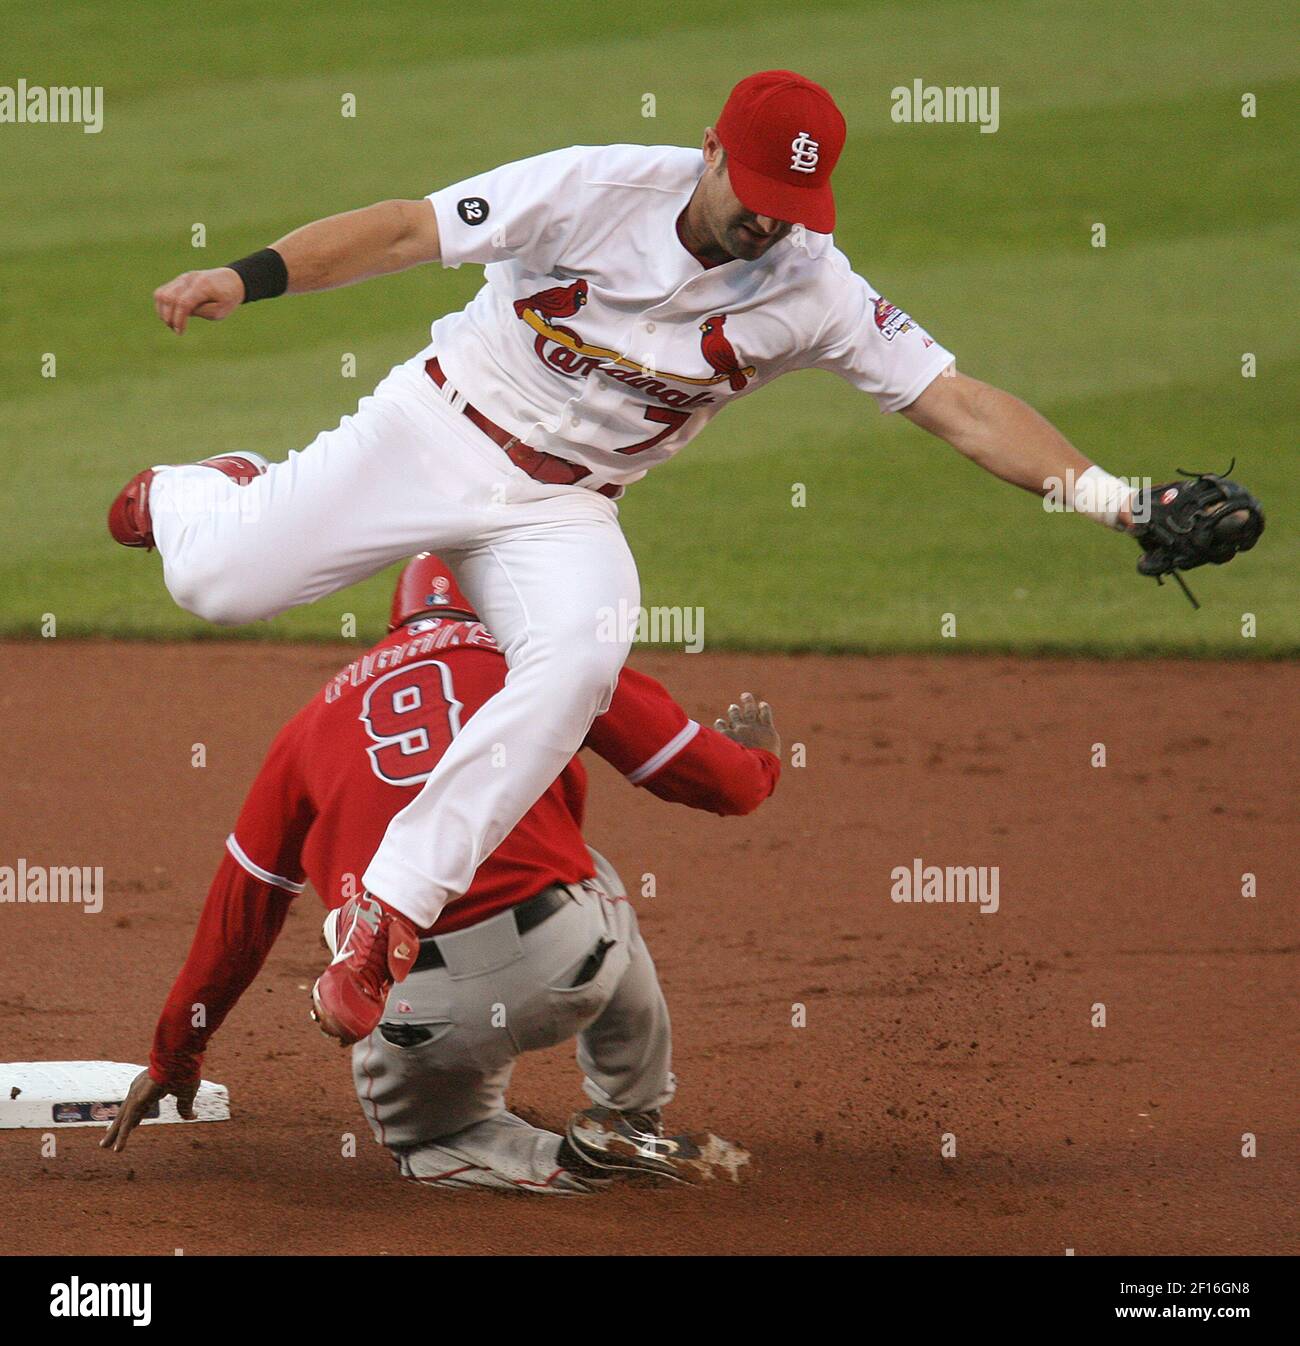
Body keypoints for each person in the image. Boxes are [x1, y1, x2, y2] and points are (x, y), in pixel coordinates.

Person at [108, 69, 1152, 1045]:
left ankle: (387, 910)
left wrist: (1122, 502)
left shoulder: (816, 287)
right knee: (216, 582)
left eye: (795, 203)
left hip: (564, 511)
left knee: (579, 661)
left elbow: (961, 407)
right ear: (708, 149)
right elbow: (403, 231)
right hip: (437, 430)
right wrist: (246, 278)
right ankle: (203, 488)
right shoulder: (591, 187)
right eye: (754, 191)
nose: (771, 219)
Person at [101, 555, 780, 1192]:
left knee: (431, 1140)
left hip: (406, 1007)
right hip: (567, 965)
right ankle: (627, 1114)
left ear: (397, 624)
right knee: (585, 866)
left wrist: (175, 1057)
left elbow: (240, 916)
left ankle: (559, 1167)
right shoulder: (539, 657)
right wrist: (756, 762)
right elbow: (720, 785)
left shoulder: (308, 728)